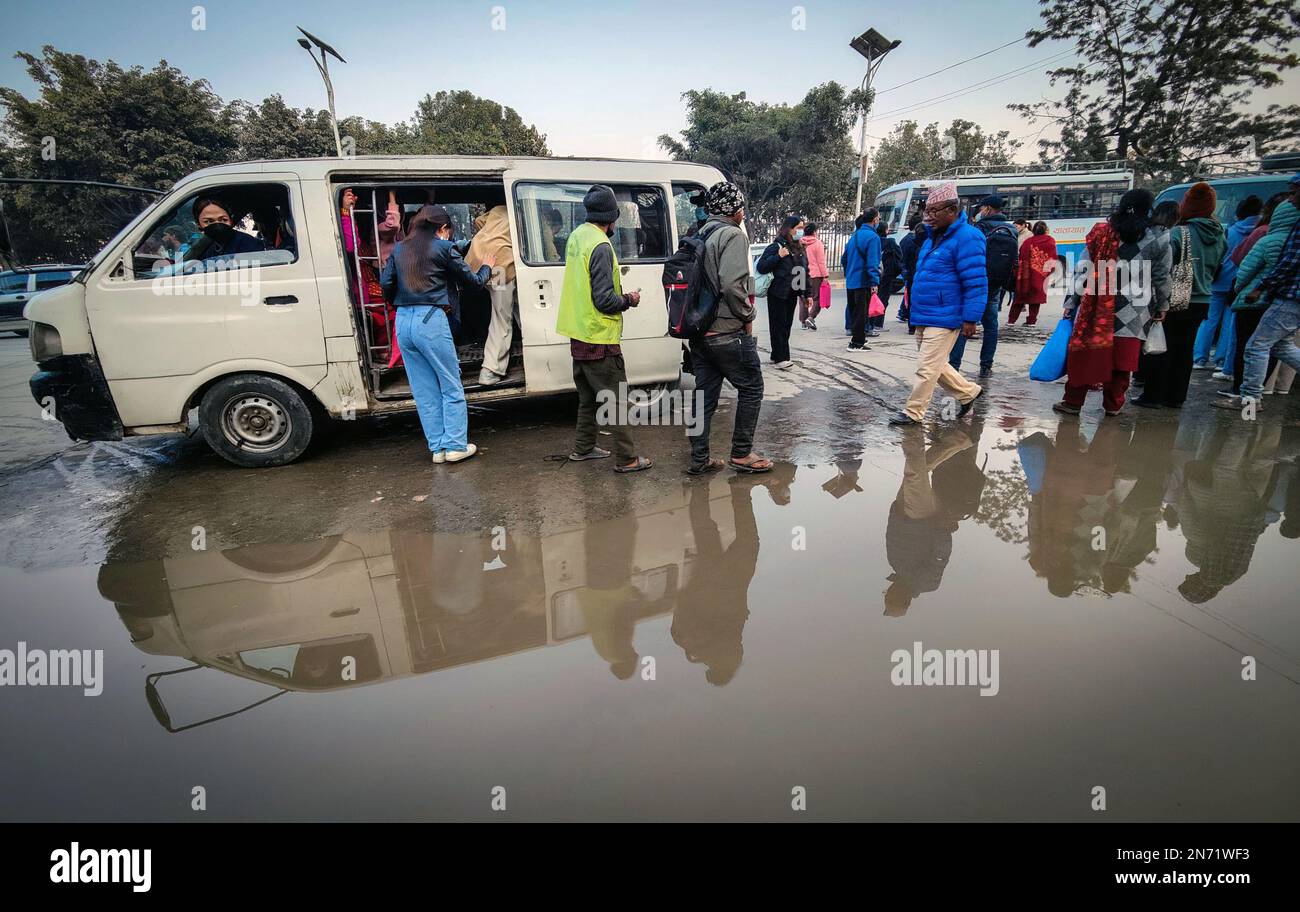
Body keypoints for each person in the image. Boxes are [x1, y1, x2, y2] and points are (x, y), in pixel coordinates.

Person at [381, 204, 494, 464]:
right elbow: (474, 283)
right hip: (431, 318)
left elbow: (387, 284)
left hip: (403, 320)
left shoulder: (400, 249)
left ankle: (438, 448)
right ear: (442, 229)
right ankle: (455, 445)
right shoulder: (443, 248)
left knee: (424, 389)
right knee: (450, 383)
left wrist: (402, 302)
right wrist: (486, 266)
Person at [555, 185, 651, 473]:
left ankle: (583, 449)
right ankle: (627, 459)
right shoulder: (600, 245)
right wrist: (629, 299)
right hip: (599, 337)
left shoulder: (576, 236)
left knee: (587, 399)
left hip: (579, 334)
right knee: (618, 400)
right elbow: (605, 300)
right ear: (612, 217)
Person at [1052, 189, 1170, 417]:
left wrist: (1071, 302)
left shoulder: (1101, 232)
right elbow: (1162, 277)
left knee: (1085, 354)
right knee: (1121, 362)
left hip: (1095, 307)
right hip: (1135, 309)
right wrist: (1163, 306)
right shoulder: (1158, 237)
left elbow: (1082, 271)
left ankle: (1073, 402)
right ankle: (1113, 406)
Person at [690, 180, 773, 475]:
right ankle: (741, 453)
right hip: (727, 333)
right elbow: (731, 284)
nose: (743, 213)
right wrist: (748, 315)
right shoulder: (733, 236)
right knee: (752, 388)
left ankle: (699, 459)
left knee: (703, 399)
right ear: (734, 210)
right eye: (741, 208)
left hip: (699, 334)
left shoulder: (698, 234)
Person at [888, 182, 985, 426]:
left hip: (947, 314)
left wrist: (971, 318)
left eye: (935, 211)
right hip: (924, 313)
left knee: (926, 368)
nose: (928, 217)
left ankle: (913, 412)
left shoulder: (968, 238)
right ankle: (969, 392)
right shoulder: (933, 239)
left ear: (952, 210)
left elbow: (975, 281)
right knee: (935, 364)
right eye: (927, 211)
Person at [1133, 181, 1227, 409]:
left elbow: (1162, 270)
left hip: (1175, 299)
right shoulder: (1220, 234)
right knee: (1185, 350)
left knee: (1160, 346)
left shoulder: (1178, 233)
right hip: (1203, 300)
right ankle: (1176, 397)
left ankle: (1153, 396)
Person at [1214, 173, 1300, 412]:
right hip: (1281, 297)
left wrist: (1253, 289)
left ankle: (1249, 399)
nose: (1292, 199)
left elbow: (1248, 265)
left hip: (1283, 297)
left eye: (1295, 192)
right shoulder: (1283, 233)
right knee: (1280, 347)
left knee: (1256, 346)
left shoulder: (1267, 237)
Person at [949, 194, 1018, 377]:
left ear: (987, 209)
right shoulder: (1011, 229)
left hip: (977, 282)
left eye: (981, 209)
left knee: (966, 322)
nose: (979, 212)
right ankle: (986, 365)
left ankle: (954, 366)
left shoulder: (979, 228)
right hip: (996, 284)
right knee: (991, 326)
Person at [1193, 195, 1263, 374]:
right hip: (1240, 283)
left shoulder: (1229, 232)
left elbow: (1219, 255)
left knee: (1209, 320)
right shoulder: (1261, 232)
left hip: (1218, 282)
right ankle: (1222, 361)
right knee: (1229, 324)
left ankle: (1200, 358)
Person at [466, 202, 517, 386]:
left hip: (478, 258)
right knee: (502, 318)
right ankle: (490, 369)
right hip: (500, 265)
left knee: (509, 308)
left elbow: (479, 221)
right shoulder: (522, 208)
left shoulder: (498, 210)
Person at [756, 215, 807, 368]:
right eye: (798, 228)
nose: (801, 231)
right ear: (789, 229)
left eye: (802, 228)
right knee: (778, 325)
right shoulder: (776, 247)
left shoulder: (799, 247)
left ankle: (777, 354)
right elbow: (762, 267)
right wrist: (778, 256)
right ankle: (781, 358)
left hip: (792, 292)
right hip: (777, 292)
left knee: (786, 325)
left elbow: (803, 271)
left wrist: (806, 293)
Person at [842, 208, 882, 351]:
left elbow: (844, 258)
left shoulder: (855, 236)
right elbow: (873, 262)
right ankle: (856, 343)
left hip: (852, 280)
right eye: (878, 218)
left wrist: (850, 272)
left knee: (855, 312)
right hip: (863, 281)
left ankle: (859, 339)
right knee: (861, 313)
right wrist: (874, 281)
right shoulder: (873, 238)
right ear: (874, 220)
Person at [1010, 221, 1057, 326]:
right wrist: (1048, 272)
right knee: (1035, 300)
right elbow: (1053, 257)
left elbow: (1021, 255)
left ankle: (1011, 321)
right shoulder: (1050, 241)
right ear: (1045, 230)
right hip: (1041, 275)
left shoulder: (1028, 241)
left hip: (1026, 275)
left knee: (1019, 298)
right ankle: (1031, 321)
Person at [189, 197, 265, 260]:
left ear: (231, 220)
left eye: (223, 220)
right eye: (208, 221)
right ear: (199, 225)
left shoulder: (247, 243)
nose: (217, 225)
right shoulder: (208, 248)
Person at [898, 215, 925, 329]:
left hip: (908, 273)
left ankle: (911, 324)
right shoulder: (917, 241)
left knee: (910, 298)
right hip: (916, 272)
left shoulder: (904, 240)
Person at [800, 222, 828, 331]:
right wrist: (825, 275)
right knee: (817, 298)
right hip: (815, 275)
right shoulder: (818, 244)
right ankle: (811, 317)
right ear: (814, 232)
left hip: (802, 273)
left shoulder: (800, 243)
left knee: (803, 298)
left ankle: (803, 321)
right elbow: (821, 262)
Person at [875, 223, 902, 334]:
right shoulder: (891, 242)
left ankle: (871, 322)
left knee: (873, 298)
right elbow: (899, 257)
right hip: (887, 274)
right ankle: (878, 323)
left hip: (875, 274)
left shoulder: (874, 242)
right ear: (886, 230)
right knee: (883, 299)